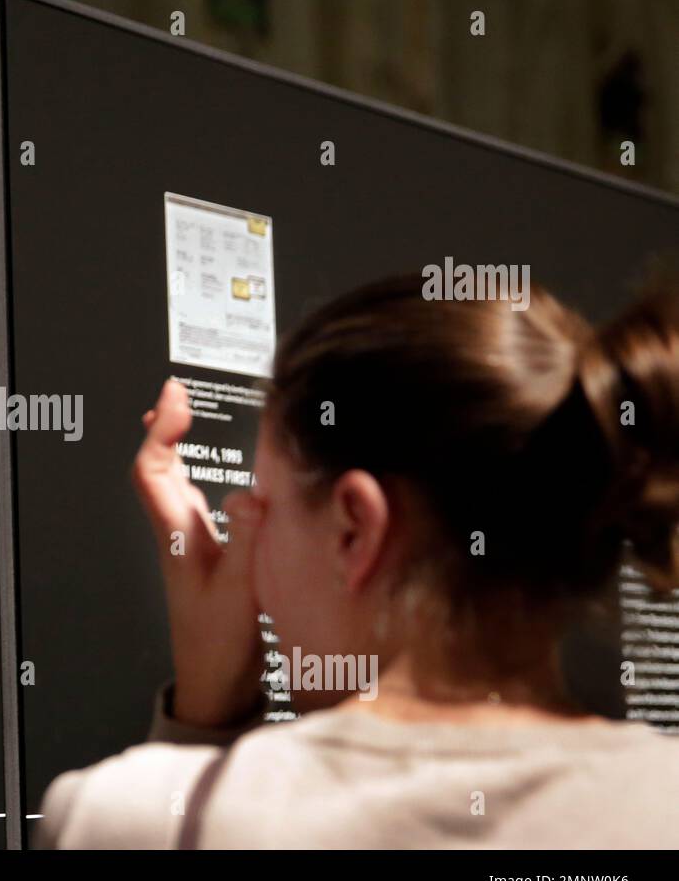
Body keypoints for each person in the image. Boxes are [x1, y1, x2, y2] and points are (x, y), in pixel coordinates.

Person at [36, 274, 679, 849]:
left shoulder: (120, 821)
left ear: (354, 530)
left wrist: (204, 720)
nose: (249, 550)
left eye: (264, 506)